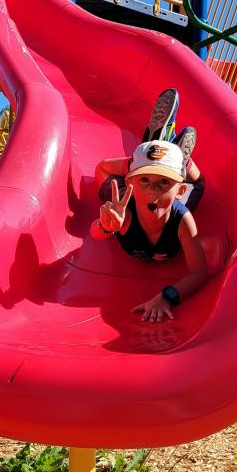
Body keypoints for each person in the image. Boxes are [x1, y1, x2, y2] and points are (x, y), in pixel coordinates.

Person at [90, 90, 208, 323]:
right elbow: (96, 232)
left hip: (169, 186)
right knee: (102, 172)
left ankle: (177, 160)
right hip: (127, 188)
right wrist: (105, 227)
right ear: (131, 180)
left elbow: (200, 271)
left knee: (201, 186)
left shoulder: (182, 218)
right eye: (144, 180)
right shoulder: (123, 212)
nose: (153, 190)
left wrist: (169, 295)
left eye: (164, 182)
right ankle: (156, 157)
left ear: (179, 190)